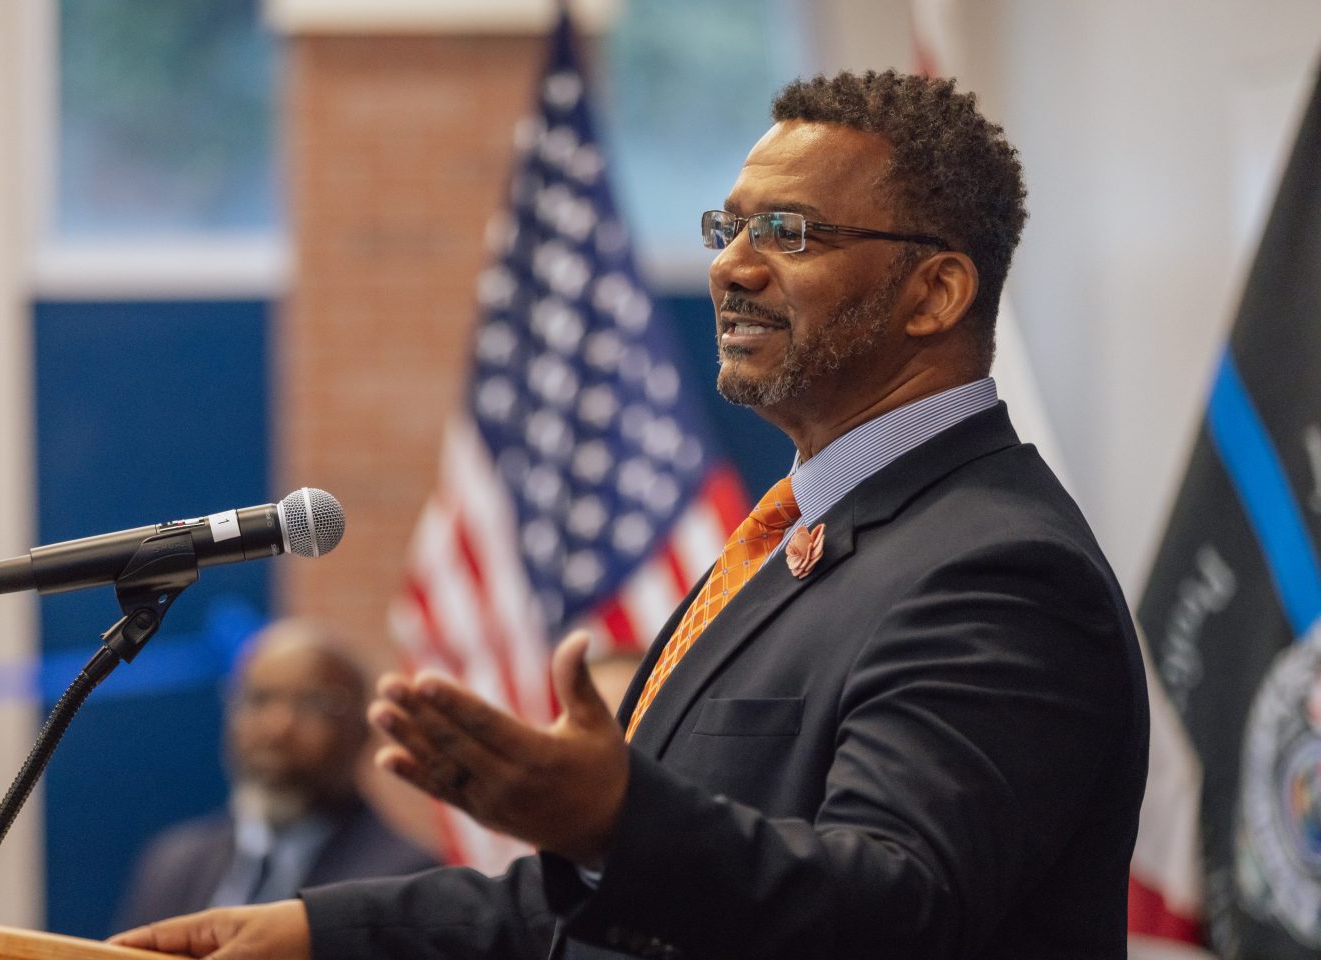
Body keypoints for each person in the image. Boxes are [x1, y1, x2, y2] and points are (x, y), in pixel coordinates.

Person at [113, 69, 1148, 960]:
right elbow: (602, 908)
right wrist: (317, 932)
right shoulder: (790, 543)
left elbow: (896, 907)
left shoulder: (998, 568)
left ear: (935, 294)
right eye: (728, 227)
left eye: (788, 232)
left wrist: (617, 820)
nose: (731, 265)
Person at [112, 619, 438, 931]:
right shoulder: (173, 864)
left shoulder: (405, 883)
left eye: (312, 704)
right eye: (258, 699)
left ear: (362, 734)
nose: (277, 727)